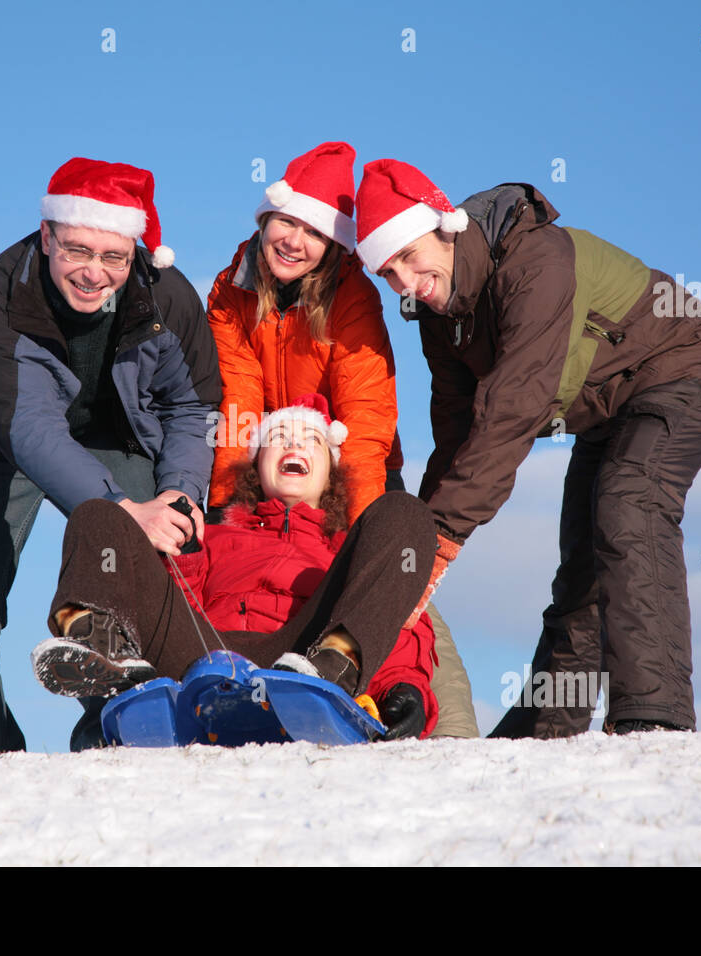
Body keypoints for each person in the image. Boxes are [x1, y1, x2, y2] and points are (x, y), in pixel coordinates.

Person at [354, 160, 701, 738]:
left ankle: (653, 714)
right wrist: (420, 533)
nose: (405, 282)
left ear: (446, 227)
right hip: (605, 405)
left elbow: (514, 407)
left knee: (629, 505)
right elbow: (459, 432)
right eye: (388, 273)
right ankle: (547, 727)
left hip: (682, 368)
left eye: (410, 256)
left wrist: (444, 539)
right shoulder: (440, 315)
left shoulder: (536, 263)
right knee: (584, 556)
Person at [0, 157, 222, 756]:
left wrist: (179, 489)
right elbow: (30, 430)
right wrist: (120, 508)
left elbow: (194, 406)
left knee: (133, 579)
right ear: (47, 235)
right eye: (77, 250)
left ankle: (108, 738)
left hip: (117, 439)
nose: (93, 274)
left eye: (113, 258)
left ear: (136, 252)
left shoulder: (169, 298)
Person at [204, 141, 479, 738]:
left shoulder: (351, 296)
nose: (294, 240)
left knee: (393, 580)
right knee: (236, 571)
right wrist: (229, 500)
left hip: (353, 459)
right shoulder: (231, 292)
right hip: (269, 455)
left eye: (314, 231)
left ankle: (446, 726)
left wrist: (356, 521)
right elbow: (238, 400)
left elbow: (367, 411)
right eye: (286, 221)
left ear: (333, 245)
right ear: (264, 219)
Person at [32, 394, 440, 740]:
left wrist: (404, 688)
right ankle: (105, 653)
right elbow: (162, 600)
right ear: (257, 464)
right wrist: (185, 556)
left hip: (301, 662)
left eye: (311, 439)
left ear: (331, 469)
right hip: (202, 660)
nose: (293, 444)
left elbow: (392, 620)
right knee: (99, 514)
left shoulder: (349, 553)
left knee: (405, 512)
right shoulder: (213, 536)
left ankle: (335, 671)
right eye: (278, 437)